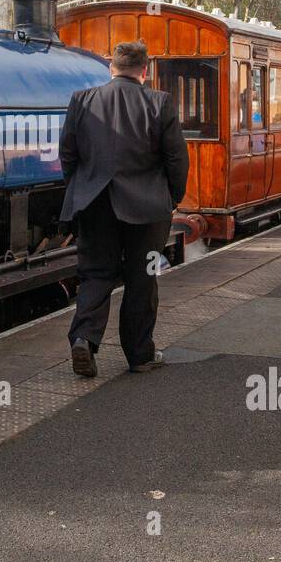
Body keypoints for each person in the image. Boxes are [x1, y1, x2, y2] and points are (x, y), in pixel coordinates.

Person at [59, 40, 189, 377]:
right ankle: (140, 355)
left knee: (95, 275)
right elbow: (176, 158)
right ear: (145, 71)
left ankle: (84, 340)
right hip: (147, 213)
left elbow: (68, 156)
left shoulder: (82, 101)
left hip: (94, 205)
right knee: (142, 279)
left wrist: (82, 189)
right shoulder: (160, 103)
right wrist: (172, 197)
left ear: (110, 67)